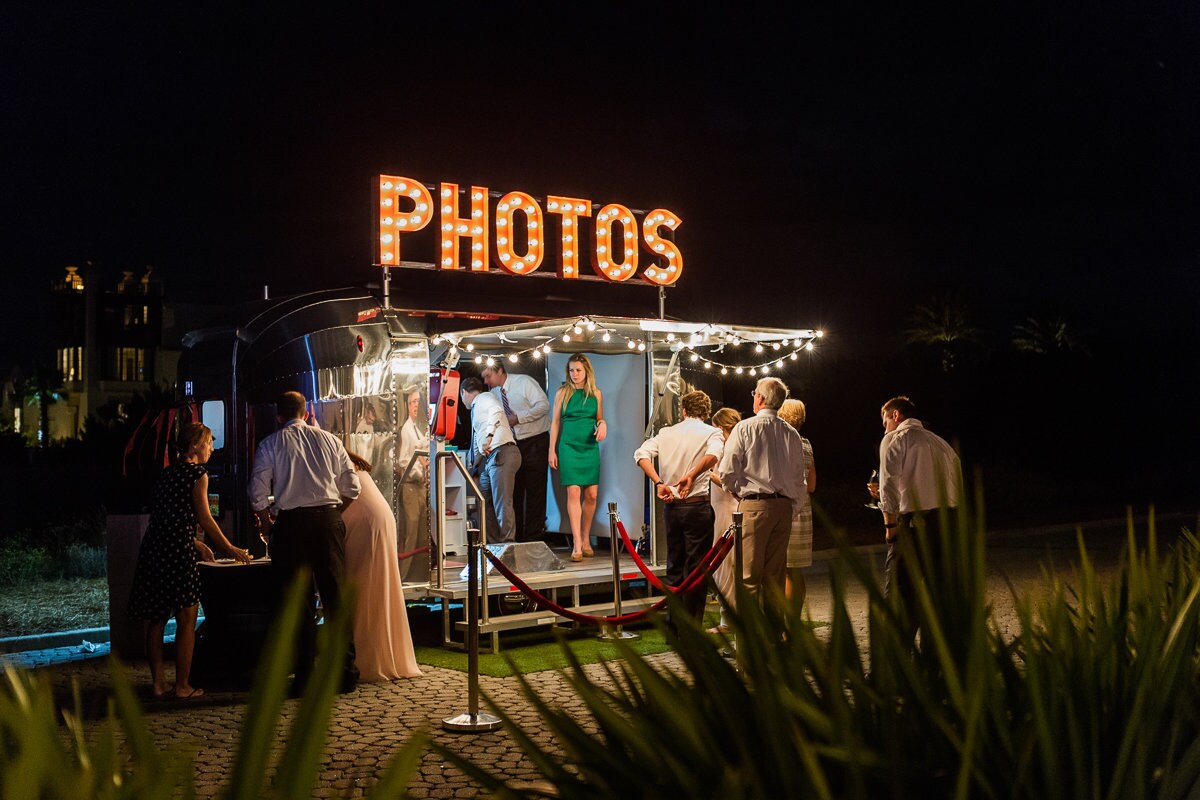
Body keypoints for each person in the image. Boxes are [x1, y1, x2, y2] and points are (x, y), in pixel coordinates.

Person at [249, 391, 362, 695]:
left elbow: (257, 492)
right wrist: (334, 513)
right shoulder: (329, 440)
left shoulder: (271, 443)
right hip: (327, 521)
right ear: (307, 412)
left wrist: (266, 523)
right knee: (335, 597)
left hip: (292, 525)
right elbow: (353, 487)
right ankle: (346, 672)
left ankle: (303, 676)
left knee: (297, 602)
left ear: (278, 416)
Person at [128, 422, 250, 699]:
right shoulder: (198, 474)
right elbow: (205, 518)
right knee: (186, 617)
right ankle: (183, 685)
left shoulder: (167, 474)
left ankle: (158, 683)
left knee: (156, 619)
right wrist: (230, 548)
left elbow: (166, 518)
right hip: (178, 554)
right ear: (194, 445)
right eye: (208, 442)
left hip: (155, 549)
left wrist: (196, 543)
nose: (211, 448)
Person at [715, 377, 807, 613]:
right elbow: (800, 479)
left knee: (747, 577)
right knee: (774, 578)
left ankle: (750, 642)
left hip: (755, 505)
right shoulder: (791, 433)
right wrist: (792, 508)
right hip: (783, 507)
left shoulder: (745, 427)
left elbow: (726, 471)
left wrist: (736, 492)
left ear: (760, 398)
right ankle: (773, 637)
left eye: (754, 393)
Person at [869, 396, 963, 628]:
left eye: (885, 422)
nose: (885, 429)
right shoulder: (942, 444)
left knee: (899, 593)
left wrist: (890, 527)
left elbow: (890, 486)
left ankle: (899, 651)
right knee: (938, 592)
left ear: (896, 416)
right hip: (945, 524)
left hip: (913, 525)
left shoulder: (894, 439)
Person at [635, 390, 724, 622]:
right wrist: (693, 475)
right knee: (697, 570)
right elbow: (714, 456)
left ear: (683, 410)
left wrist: (658, 482)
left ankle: (674, 624)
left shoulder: (666, 433)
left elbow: (641, 454)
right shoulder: (712, 432)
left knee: (674, 566)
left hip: (672, 508)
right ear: (707, 411)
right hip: (697, 507)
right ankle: (692, 626)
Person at [342, 451, 421, 681]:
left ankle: (367, 659)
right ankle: (389, 655)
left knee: (362, 589)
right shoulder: (353, 462)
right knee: (380, 588)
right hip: (379, 520)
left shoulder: (332, 460)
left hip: (362, 523)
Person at [482, 362, 551, 543]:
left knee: (535, 491)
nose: (486, 380)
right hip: (512, 445)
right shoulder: (493, 395)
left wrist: (519, 418)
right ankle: (517, 538)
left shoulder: (524, 382)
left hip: (535, 440)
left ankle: (535, 537)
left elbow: (543, 406)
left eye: (489, 375)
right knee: (514, 492)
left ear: (500, 371)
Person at [548, 353, 606, 561]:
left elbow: (599, 418)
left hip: (589, 447)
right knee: (573, 492)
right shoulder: (562, 393)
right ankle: (577, 543)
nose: (574, 374)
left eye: (578, 370)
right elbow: (554, 423)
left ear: (586, 371)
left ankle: (586, 537)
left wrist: (603, 424)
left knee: (591, 495)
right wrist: (551, 450)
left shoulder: (596, 393)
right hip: (568, 446)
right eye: (571, 370)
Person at [460, 376, 522, 543]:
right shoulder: (477, 408)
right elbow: (477, 444)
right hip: (490, 459)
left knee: (502, 503)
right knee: (485, 501)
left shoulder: (484, 398)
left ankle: (508, 544)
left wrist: (488, 437)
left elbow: (496, 411)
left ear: (464, 392)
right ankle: (493, 544)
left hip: (502, 451)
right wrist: (473, 467)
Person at [778, 399, 816, 614]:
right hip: (805, 509)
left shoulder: (782, 443)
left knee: (785, 570)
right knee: (796, 570)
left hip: (787, 507)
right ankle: (795, 620)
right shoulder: (806, 443)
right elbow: (811, 485)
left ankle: (787, 624)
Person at [707, 406, 742, 634]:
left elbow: (732, 484)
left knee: (725, 566)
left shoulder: (729, 449)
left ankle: (728, 620)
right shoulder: (732, 447)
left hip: (726, 509)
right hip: (720, 507)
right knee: (724, 566)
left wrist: (709, 474)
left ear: (721, 427)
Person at [396, 388, 429, 581]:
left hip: (420, 485)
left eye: (418, 401)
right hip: (410, 485)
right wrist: (419, 472)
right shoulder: (406, 430)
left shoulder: (418, 428)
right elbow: (402, 461)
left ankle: (417, 574)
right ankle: (403, 576)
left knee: (422, 533)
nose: (416, 405)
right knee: (411, 532)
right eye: (412, 402)